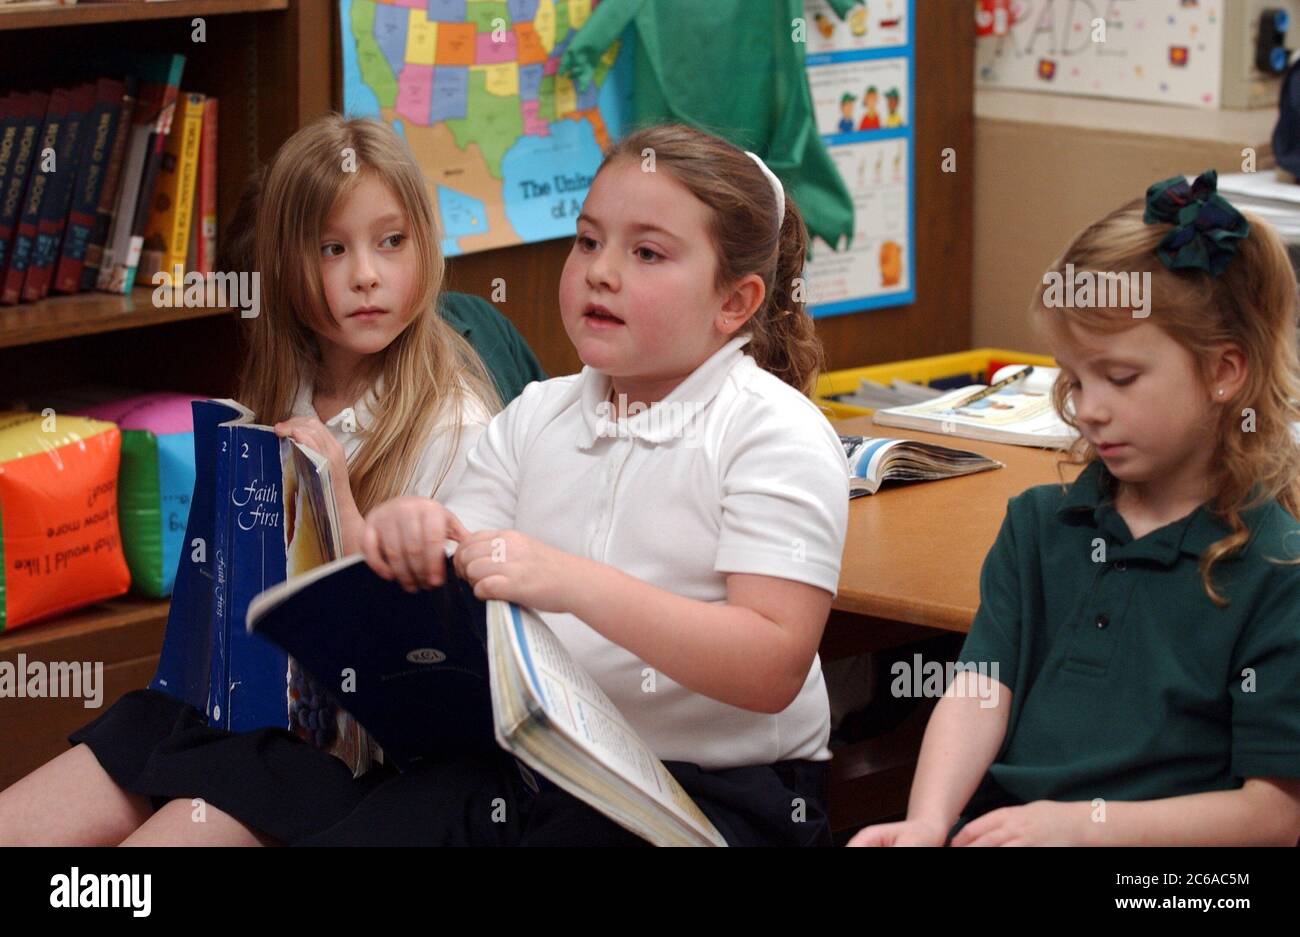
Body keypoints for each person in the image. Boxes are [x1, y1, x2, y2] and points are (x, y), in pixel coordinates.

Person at [850, 171, 1300, 846]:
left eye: (1119, 378)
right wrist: (927, 821)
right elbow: (979, 692)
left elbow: (1273, 817)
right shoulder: (1037, 525)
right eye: (1074, 377)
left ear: (1223, 371)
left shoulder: (1277, 568)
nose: (1088, 407)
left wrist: (1083, 828)